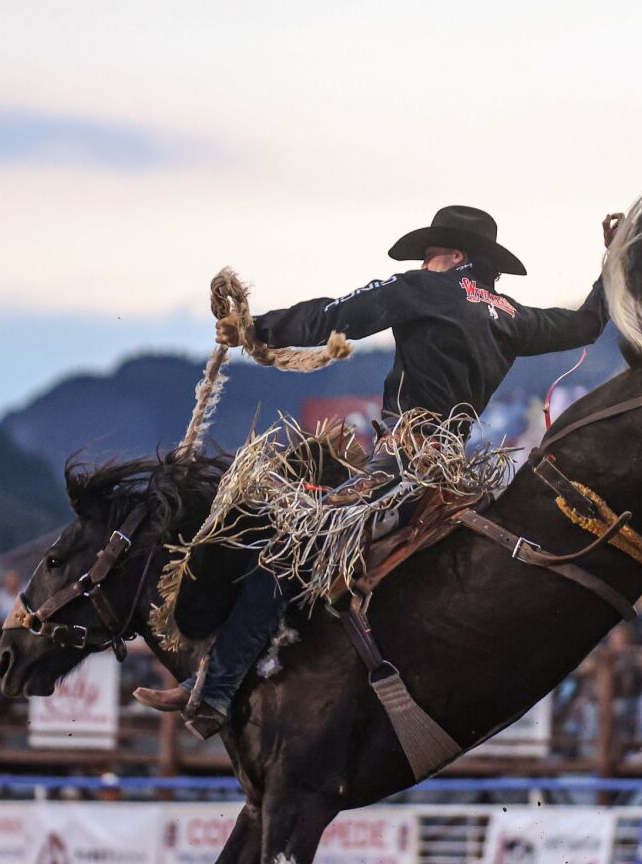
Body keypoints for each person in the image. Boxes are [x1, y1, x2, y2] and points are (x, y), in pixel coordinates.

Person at [136, 207, 611, 737]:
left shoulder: (426, 288)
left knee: (289, 543)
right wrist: (611, 262)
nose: (425, 263)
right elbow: (587, 322)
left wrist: (253, 328)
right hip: (451, 469)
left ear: (455, 256)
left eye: (432, 254)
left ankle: (216, 690)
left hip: (403, 461)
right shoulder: (512, 315)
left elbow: (336, 315)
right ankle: (227, 674)